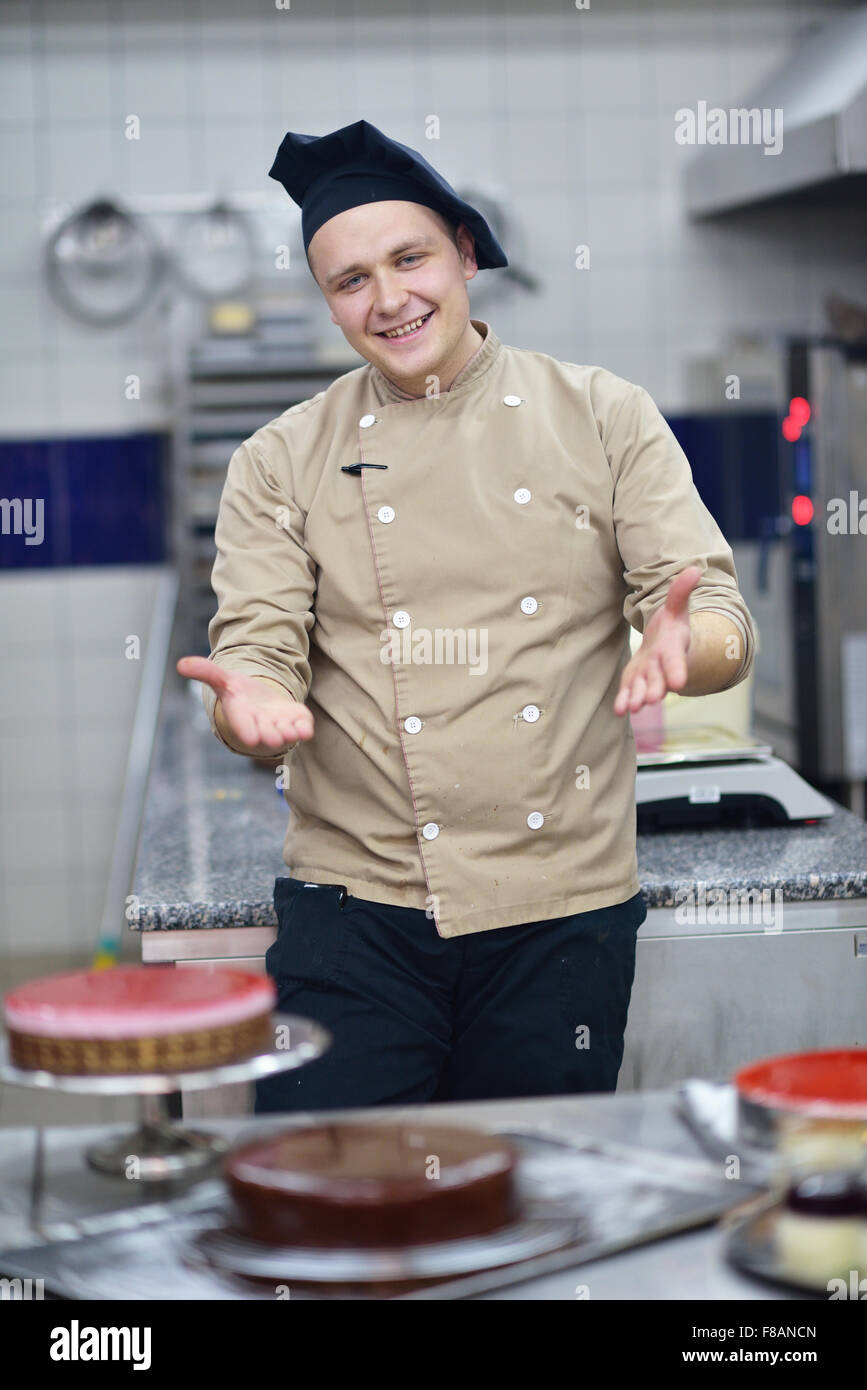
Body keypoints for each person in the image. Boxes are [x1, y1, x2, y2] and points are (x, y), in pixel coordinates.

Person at [177, 119, 756, 1113]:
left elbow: (715, 618)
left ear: (467, 254)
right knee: (332, 1205)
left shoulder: (602, 414)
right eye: (351, 279)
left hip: (561, 913)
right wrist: (250, 708)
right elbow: (258, 653)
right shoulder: (280, 458)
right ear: (329, 302)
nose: (390, 298)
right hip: (352, 913)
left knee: (530, 1215)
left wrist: (683, 646)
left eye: (411, 259)